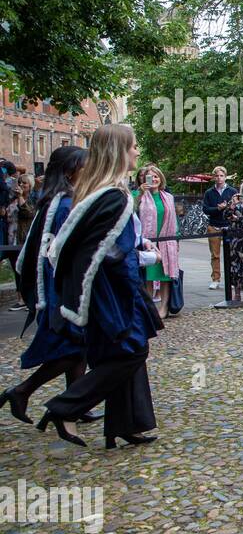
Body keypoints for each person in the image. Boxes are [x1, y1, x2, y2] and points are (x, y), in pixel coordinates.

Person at [42, 124, 160, 449]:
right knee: (132, 350)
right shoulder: (113, 196)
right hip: (111, 292)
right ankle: (64, 406)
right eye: (133, 146)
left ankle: (125, 425)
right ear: (119, 151)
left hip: (108, 289)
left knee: (124, 352)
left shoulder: (101, 192)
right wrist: (142, 260)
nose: (137, 151)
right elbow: (108, 253)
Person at [2, 147, 94, 427]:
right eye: (85, 166)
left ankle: (74, 404)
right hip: (59, 285)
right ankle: (22, 391)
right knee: (74, 345)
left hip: (58, 282)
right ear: (70, 171)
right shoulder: (64, 204)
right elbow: (63, 249)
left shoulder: (58, 200)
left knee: (77, 345)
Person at [135, 164, 181, 321]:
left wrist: (177, 239)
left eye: (156, 176)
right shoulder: (139, 195)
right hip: (148, 242)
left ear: (161, 179)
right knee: (148, 275)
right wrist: (141, 192)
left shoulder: (168, 197)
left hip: (167, 242)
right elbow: (132, 213)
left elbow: (174, 220)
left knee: (164, 276)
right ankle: (147, 307)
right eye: (150, 176)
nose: (153, 179)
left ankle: (164, 307)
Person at [202, 166, 236, 291]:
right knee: (215, 255)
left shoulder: (232, 191)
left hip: (228, 226)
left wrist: (229, 208)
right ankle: (215, 279)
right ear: (213, 177)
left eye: (221, 175)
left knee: (231, 254)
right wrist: (218, 208)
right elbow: (205, 209)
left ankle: (231, 278)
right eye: (217, 176)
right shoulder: (209, 192)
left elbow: (236, 207)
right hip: (214, 225)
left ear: (225, 176)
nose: (219, 178)